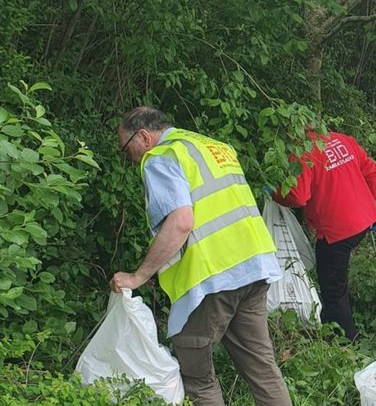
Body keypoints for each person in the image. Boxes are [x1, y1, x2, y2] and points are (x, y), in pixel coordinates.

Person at [111, 106, 291, 405]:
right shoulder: (211, 146)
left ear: (143, 137)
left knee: (198, 376)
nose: (128, 157)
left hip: (212, 276)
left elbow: (181, 222)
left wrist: (138, 276)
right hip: (254, 266)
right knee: (263, 369)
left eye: (126, 148)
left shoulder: (160, 158)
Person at [269, 130, 376, 341]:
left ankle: (348, 343)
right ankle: (335, 320)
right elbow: (373, 171)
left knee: (332, 289)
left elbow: (298, 196)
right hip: (364, 221)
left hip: (337, 232)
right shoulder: (342, 139)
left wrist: (276, 193)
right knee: (336, 278)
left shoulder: (302, 151)